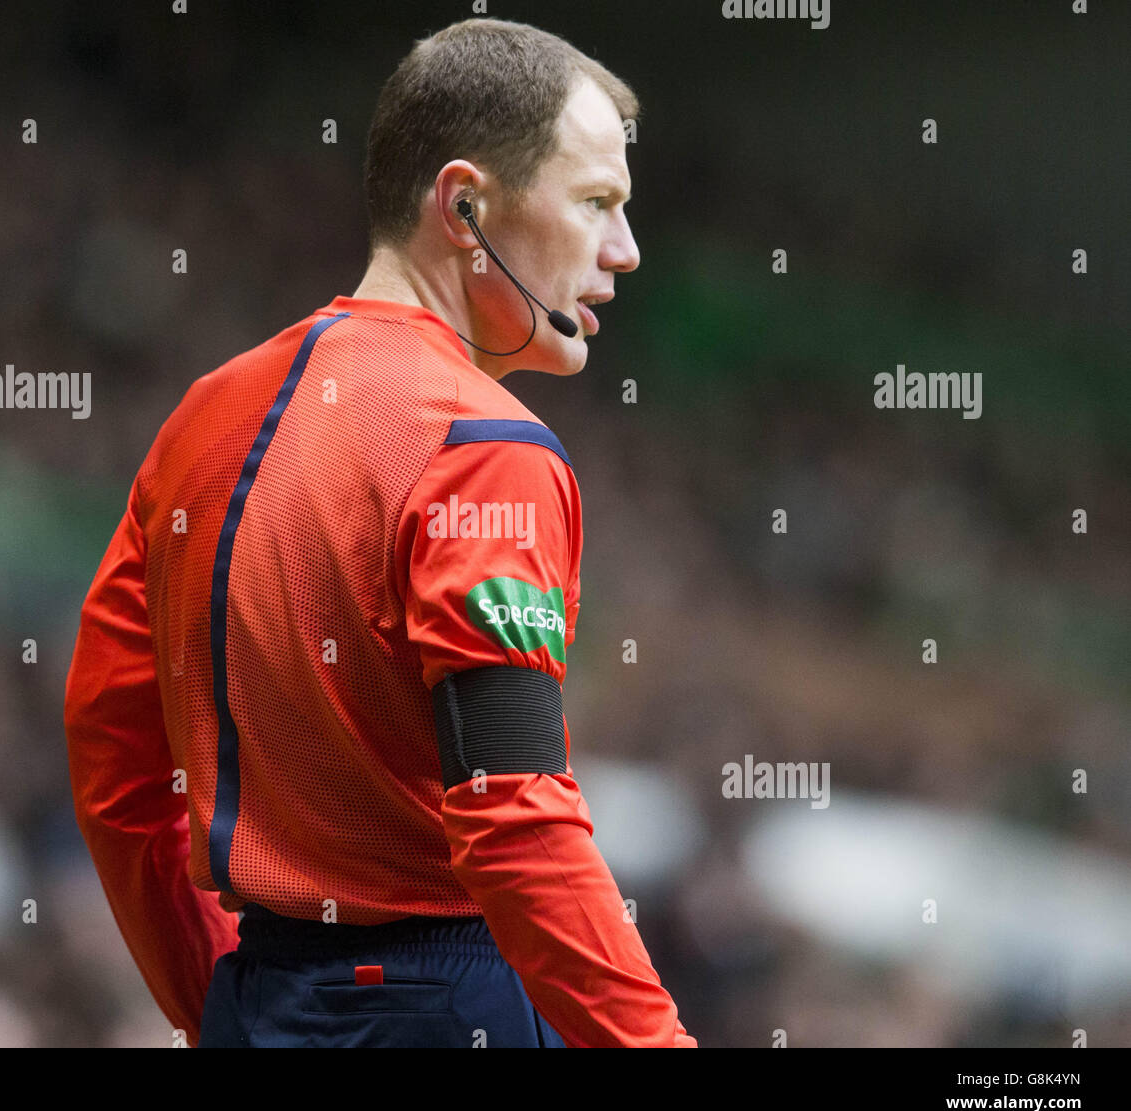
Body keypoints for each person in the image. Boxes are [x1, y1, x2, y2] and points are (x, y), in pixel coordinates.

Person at [64, 16, 696, 1048]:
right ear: (463, 206)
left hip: (255, 1002)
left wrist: (210, 1002)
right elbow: (513, 817)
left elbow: (116, 772)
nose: (624, 252)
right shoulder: (485, 447)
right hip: (452, 1007)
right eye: (595, 205)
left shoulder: (202, 419)